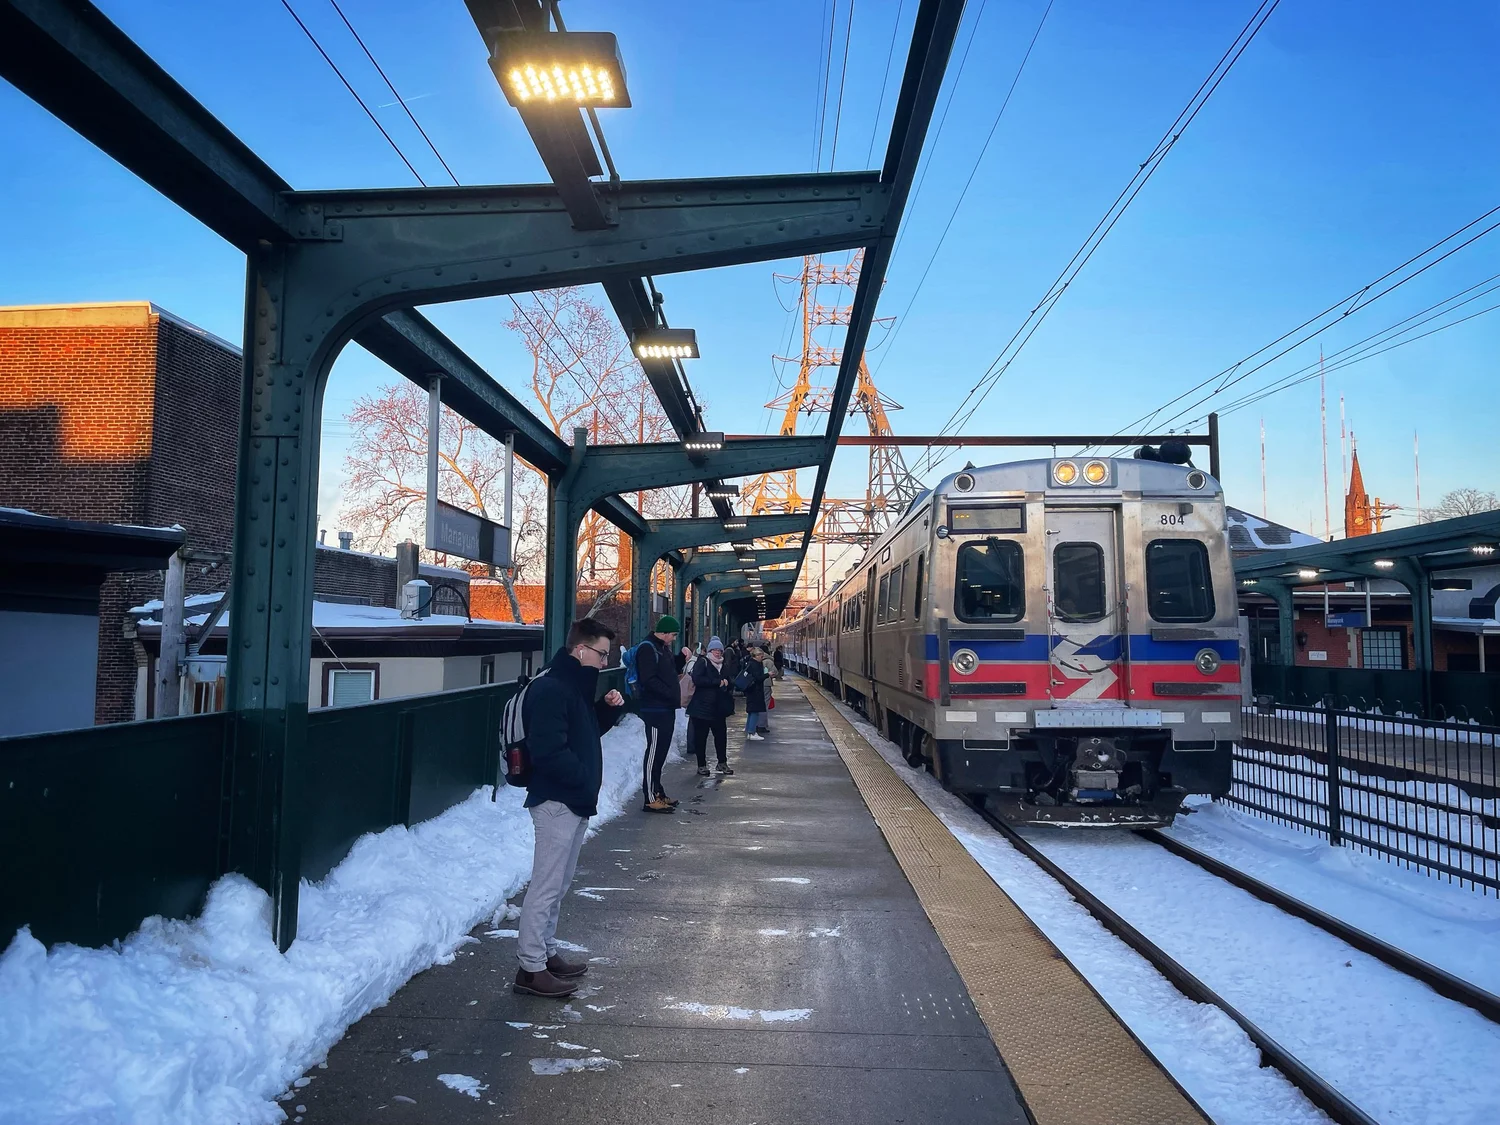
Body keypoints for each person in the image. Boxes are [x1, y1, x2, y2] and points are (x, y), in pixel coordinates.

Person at [514, 618, 626, 999]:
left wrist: (606, 712)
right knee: (546, 886)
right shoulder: (552, 688)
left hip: (572, 799)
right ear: (580, 650)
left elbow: (581, 732)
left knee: (558, 884)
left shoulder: (571, 687)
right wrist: (581, 778)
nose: (604, 661)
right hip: (556, 801)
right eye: (601, 653)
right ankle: (530, 969)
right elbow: (548, 750)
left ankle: (544, 954)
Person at [634, 614, 690, 813]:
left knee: (661, 752)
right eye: (673, 635)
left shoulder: (662, 648)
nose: (674, 638)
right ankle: (649, 798)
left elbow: (667, 670)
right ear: (664, 633)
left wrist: (681, 658)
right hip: (655, 709)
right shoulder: (647, 649)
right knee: (654, 753)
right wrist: (669, 694)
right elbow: (649, 679)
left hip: (665, 709)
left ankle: (658, 791)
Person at [687, 636, 735, 777]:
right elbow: (697, 679)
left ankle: (722, 762)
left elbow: (731, 679)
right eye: (714, 650)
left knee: (721, 736)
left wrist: (728, 683)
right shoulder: (703, 662)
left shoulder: (724, 665)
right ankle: (701, 765)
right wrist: (717, 682)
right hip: (702, 707)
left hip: (719, 709)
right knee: (701, 738)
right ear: (709, 651)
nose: (717, 652)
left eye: (719, 650)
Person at [742, 647, 769, 740]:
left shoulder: (750, 663)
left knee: (751, 711)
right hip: (755, 691)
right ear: (756, 656)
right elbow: (758, 678)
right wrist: (767, 675)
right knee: (754, 712)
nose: (762, 657)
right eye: (761, 655)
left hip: (751, 691)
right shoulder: (755, 665)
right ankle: (752, 732)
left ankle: (749, 730)